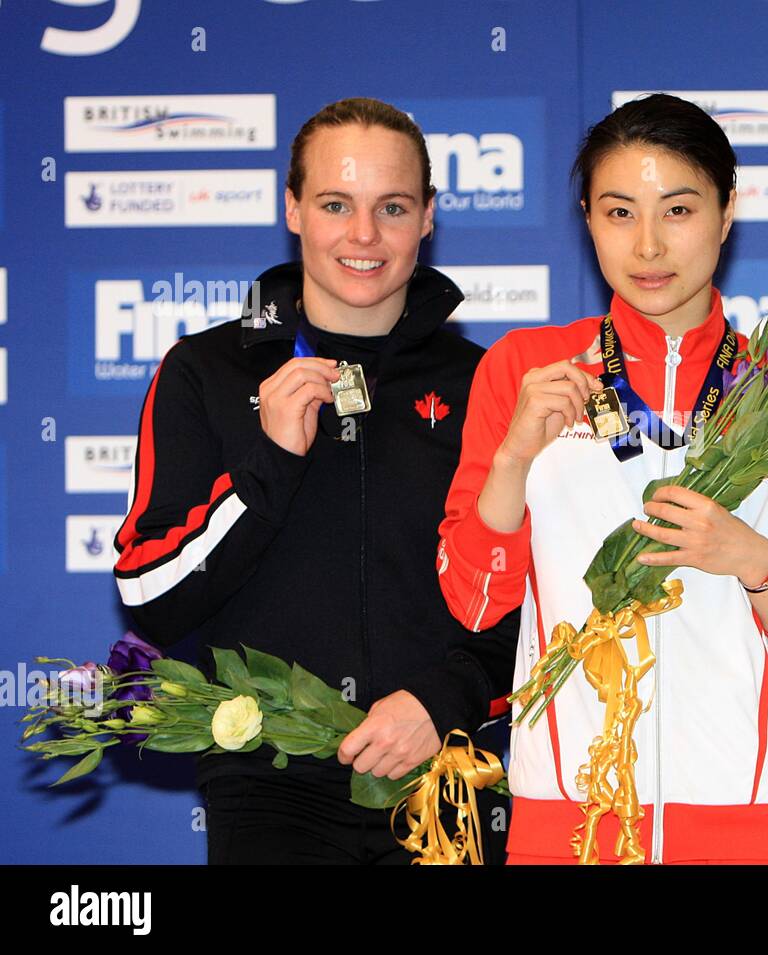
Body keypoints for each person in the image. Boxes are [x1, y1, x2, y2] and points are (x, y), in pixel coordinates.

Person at [437, 94, 768, 864]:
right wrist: (511, 460)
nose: (650, 244)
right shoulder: (525, 372)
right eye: (619, 212)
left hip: (750, 816)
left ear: (727, 212)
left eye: (679, 209)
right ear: (586, 218)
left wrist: (751, 559)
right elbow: (472, 602)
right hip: (570, 815)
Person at [113, 97, 518, 864]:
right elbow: (150, 596)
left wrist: (443, 699)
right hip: (271, 786)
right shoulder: (206, 371)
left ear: (428, 216)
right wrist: (266, 466)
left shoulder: (484, 383)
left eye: (391, 207)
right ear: (293, 207)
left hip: (445, 774)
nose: (364, 235)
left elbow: (536, 593)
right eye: (336, 203)